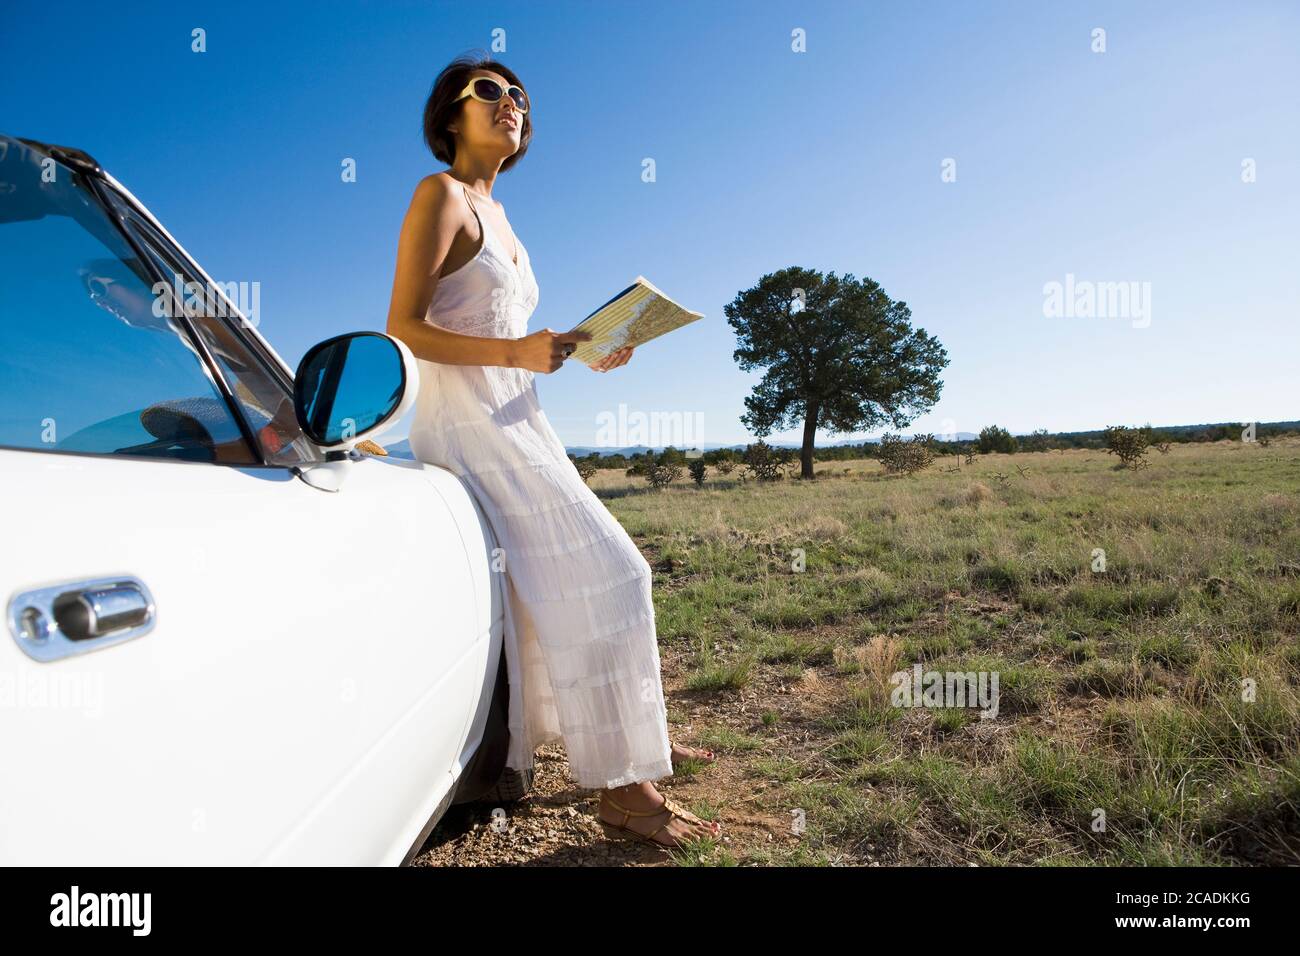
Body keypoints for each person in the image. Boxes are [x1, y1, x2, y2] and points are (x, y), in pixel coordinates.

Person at [385, 54, 721, 850]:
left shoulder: (503, 221)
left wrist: (579, 347)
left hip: (516, 417)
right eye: (490, 93)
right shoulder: (440, 195)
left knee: (551, 595)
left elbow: (506, 336)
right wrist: (518, 354)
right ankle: (625, 794)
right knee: (615, 573)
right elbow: (404, 328)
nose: (511, 105)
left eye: (520, 97)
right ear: (451, 117)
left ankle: (634, 749)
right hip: (467, 428)